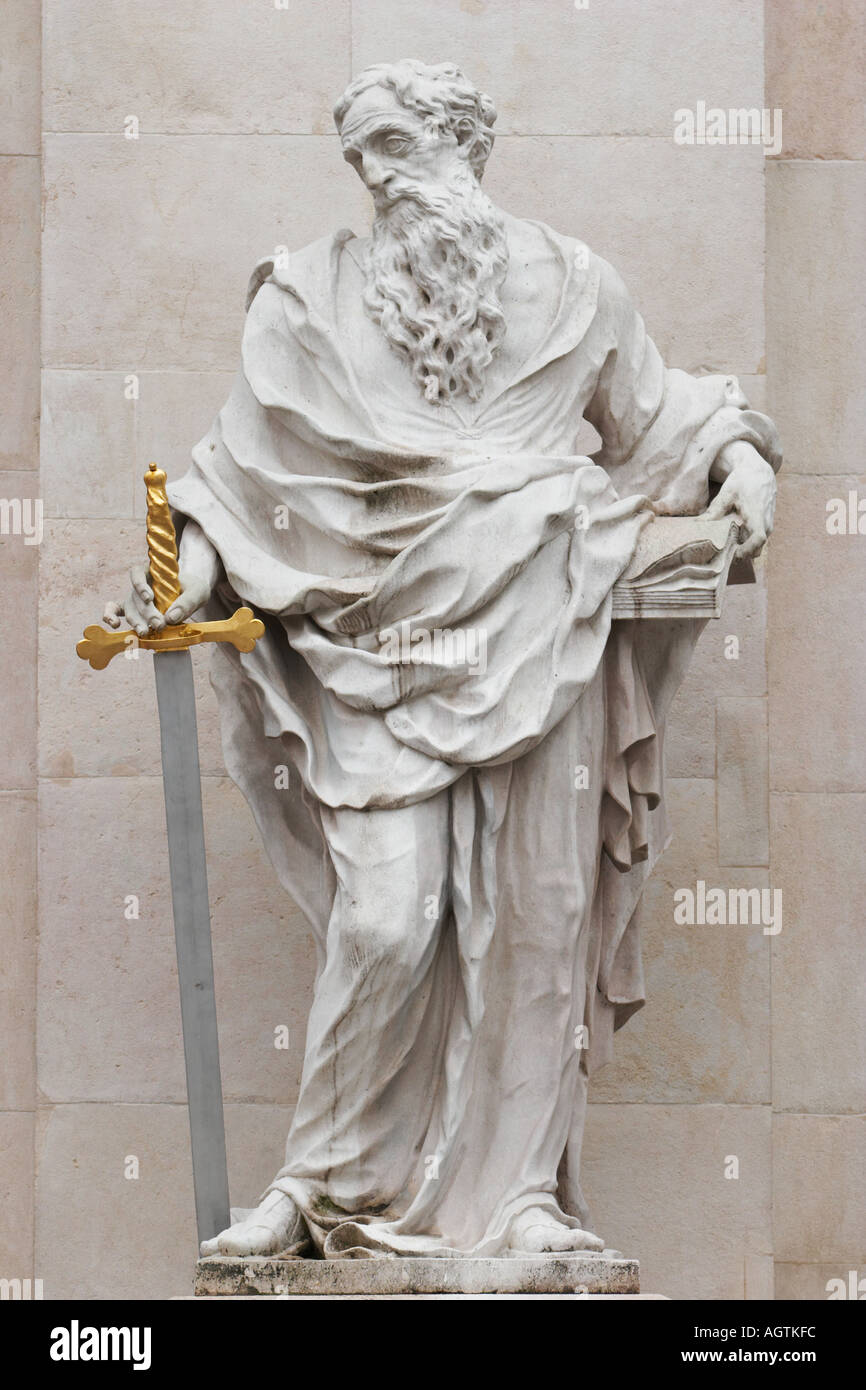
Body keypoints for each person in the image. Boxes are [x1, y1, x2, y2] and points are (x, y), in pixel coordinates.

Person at [106, 60, 780, 1259]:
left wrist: (742, 460)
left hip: (544, 626)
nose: (374, 175)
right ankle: (321, 1188)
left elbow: (661, 414)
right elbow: (238, 473)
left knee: (538, 916)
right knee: (384, 918)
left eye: (393, 142)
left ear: (466, 141)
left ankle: (519, 1196)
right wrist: (184, 581)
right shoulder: (306, 298)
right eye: (358, 155)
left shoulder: (577, 287)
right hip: (372, 652)